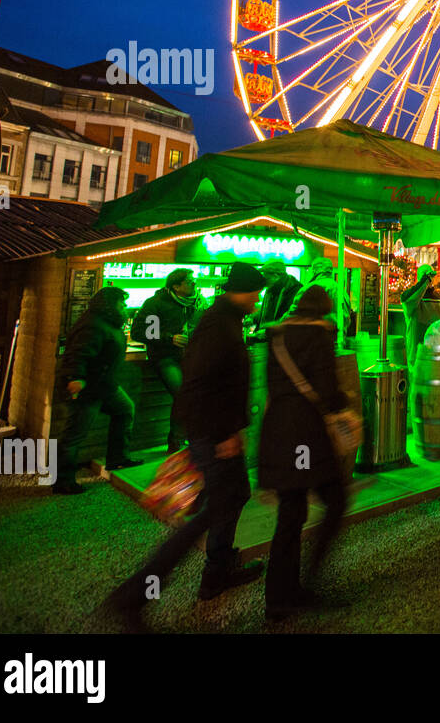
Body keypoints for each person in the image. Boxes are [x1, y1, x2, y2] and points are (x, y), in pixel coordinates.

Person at [104, 262, 267, 628]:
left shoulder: (223, 320)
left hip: (215, 431)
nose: (258, 299)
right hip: (214, 433)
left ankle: (217, 569)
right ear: (238, 291)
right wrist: (225, 432)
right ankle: (136, 594)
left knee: (233, 495)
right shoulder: (218, 326)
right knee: (210, 511)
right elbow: (205, 382)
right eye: (254, 292)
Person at [258, 286, 350, 621]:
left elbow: (272, 384)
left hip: (278, 432)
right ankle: (305, 581)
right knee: (336, 500)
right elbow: (326, 389)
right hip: (307, 436)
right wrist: (345, 405)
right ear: (324, 309)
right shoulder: (319, 335)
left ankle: (280, 596)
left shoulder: (277, 334)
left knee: (291, 511)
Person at [53, 287, 140, 494]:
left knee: (125, 410)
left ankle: (118, 458)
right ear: (110, 305)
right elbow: (78, 353)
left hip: (104, 385)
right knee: (74, 434)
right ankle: (63, 481)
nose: (125, 307)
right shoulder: (93, 325)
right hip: (89, 387)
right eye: (122, 304)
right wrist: (75, 378)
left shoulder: (106, 321)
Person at [133, 269, 199, 452]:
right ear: (176, 286)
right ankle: (176, 442)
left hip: (188, 357)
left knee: (190, 396)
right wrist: (170, 338)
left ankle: (183, 440)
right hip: (165, 357)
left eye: (193, 280)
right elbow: (142, 332)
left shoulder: (194, 304)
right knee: (183, 394)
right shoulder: (156, 304)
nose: (194, 283)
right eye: (189, 281)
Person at [256, 259, 301, 327]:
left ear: (275, 276)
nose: (264, 281)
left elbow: (292, 317)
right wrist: (253, 319)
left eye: (266, 277)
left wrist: (268, 330)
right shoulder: (271, 289)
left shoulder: (295, 290)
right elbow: (266, 314)